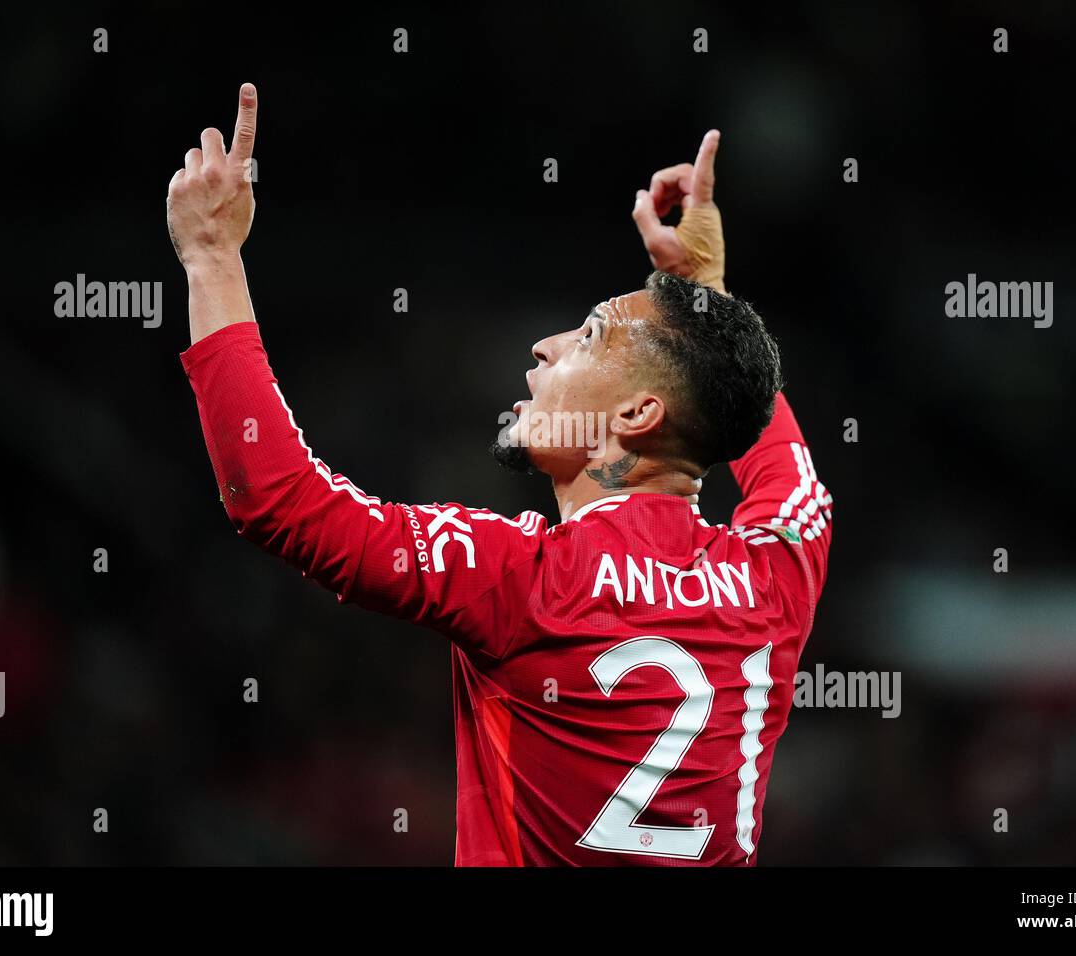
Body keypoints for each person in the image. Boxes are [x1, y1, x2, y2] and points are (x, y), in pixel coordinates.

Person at [167, 83, 833, 865]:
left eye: (587, 336)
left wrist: (211, 258)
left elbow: (281, 501)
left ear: (636, 416)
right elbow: (758, 435)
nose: (546, 346)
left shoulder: (521, 580)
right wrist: (703, 302)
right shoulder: (775, 576)